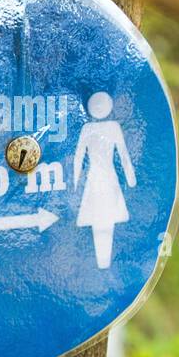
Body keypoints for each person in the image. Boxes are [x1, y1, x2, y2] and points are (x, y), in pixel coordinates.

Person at [73, 91, 136, 269]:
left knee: (104, 216)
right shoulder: (92, 128)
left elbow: (123, 153)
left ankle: (104, 263)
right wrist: (74, 181)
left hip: (103, 176)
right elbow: (78, 157)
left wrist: (130, 176)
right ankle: (102, 263)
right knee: (100, 216)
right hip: (99, 177)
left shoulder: (108, 128)